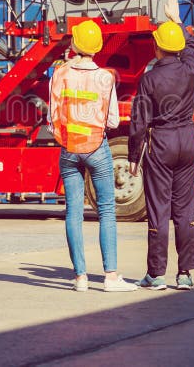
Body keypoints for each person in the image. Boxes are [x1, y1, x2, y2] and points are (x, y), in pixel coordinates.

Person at [49, 19, 138, 293]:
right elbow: (112, 121)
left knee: (73, 213)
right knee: (106, 210)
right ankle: (110, 277)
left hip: (69, 149)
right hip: (97, 148)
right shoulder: (106, 77)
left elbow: (52, 119)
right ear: (98, 48)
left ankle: (80, 278)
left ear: (74, 44)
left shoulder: (59, 73)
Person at [128, 5, 194, 291]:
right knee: (185, 210)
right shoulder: (190, 69)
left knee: (160, 209)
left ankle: (156, 274)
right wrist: (178, 20)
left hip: (162, 142)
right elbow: (193, 45)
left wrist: (134, 155)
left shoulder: (149, 80)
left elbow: (139, 121)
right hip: (187, 140)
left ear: (156, 47)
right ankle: (185, 274)